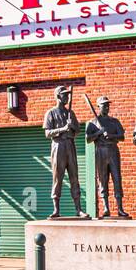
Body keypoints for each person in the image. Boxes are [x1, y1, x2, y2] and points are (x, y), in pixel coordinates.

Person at [43, 86, 89, 219]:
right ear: (58, 96)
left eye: (68, 95)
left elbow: (77, 130)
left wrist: (72, 126)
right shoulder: (51, 113)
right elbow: (47, 133)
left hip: (70, 145)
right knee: (58, 178)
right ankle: (56, 210)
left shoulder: (71, 113)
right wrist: (63, 128)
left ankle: (78, 209)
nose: (67, 97)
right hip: (58, 146)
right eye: (64, 95)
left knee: (74, 177)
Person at [85, 96, 128, 219]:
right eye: (104, 105)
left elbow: (122, 137)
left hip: (113, 150)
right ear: (99, 107)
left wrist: (111, 135)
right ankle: (106, 208)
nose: (107, 107)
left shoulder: (114, 121)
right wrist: (99, 132)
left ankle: (120, 208)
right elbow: (88, 139)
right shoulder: (93, 122)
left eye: (108, 105)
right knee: (103, 180)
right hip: (101, 151)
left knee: (117, 179)